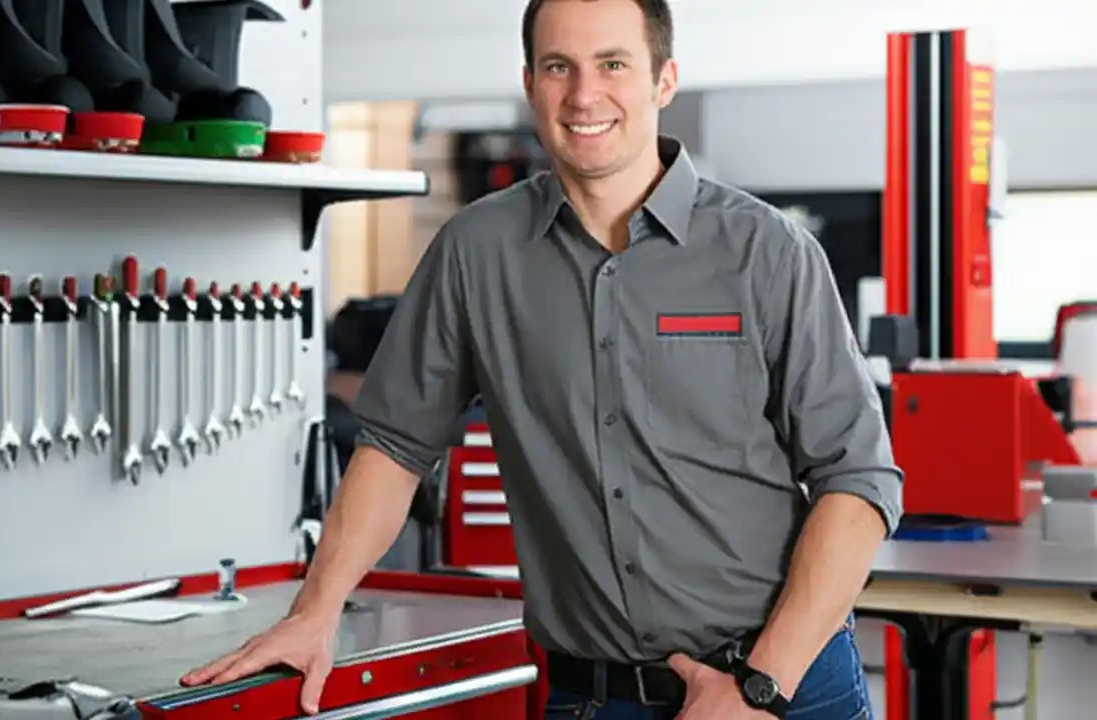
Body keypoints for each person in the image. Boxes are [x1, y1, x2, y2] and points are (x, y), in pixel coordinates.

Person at [180, 0, 902, 717]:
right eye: (560, 67)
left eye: (612, 64)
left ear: (664, 80)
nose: (584, 95)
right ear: (531, 83)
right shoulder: (476, 253)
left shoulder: (766, 252)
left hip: (782, 686)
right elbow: (395, 449)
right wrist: (315, 611)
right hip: (594, 697)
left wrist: (758, 690)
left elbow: (857, 479)